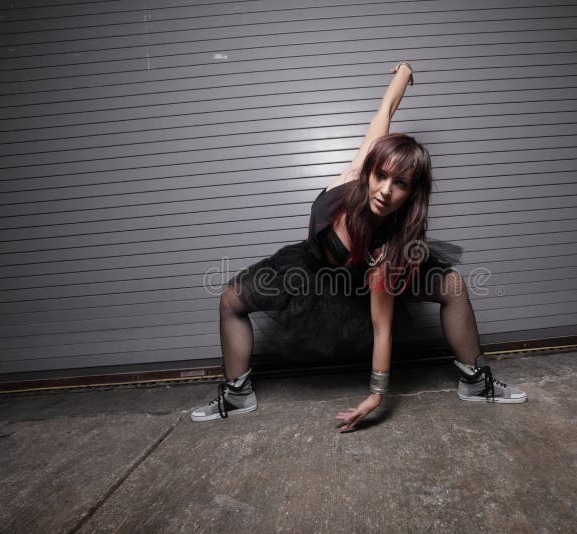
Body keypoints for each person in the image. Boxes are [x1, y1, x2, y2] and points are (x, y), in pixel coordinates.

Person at [191, 62, 527, 432]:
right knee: (230, 300)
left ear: (412, 193)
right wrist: (404, 72)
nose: (385, 190)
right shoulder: (353, 174)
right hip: (311, 273)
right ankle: (237, 394)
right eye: (380, 176)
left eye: (399, 184)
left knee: (453, 286)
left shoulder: (388, 251)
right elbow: (386, 109)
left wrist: (376, 395)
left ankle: (476, 382)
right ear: (369, 169)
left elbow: (382, 329)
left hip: (365, 279)